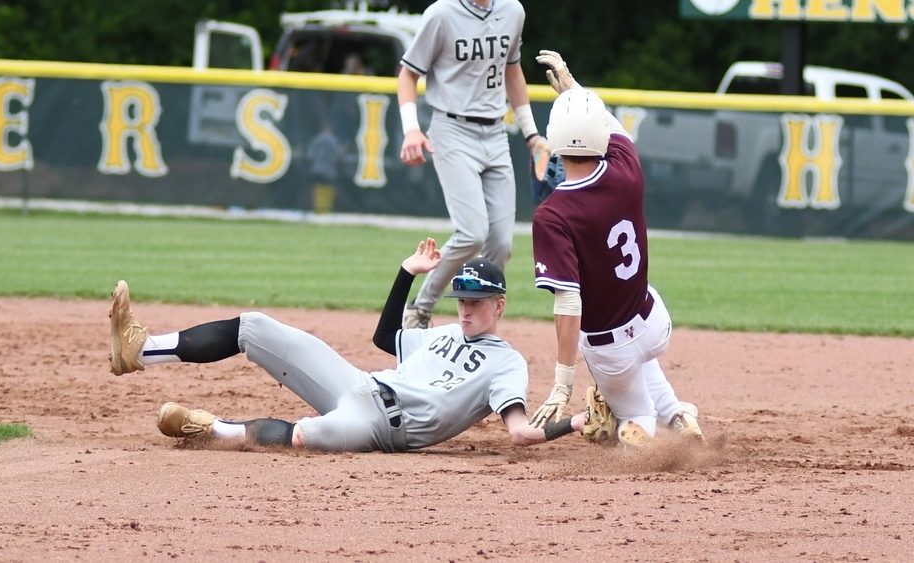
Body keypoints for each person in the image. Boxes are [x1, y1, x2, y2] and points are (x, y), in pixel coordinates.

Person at [108, 238, 586, 452]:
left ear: (498, 306)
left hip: (380, 427)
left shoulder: (508, 365)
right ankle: (140, 349)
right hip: (359, 384)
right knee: (254, 327)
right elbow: (384, 339)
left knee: (304, 436)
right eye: (461, 298)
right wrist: (405, 273)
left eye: (476, 302)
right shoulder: (443, 333)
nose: (464, 308)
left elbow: (520, 433)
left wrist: (576, 422)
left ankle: (210, 430)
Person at [527, 50, 704, 448]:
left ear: (555, 141)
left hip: (611, 348)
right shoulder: (626, 168)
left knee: (636, 415)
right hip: (654, 321)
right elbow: (607, 123)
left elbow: (569, 303)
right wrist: (573, 87)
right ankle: (678, 416)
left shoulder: (552, 214)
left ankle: (641, 427)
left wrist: (563, 382)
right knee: (646, 362)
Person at [396, 0, 546, 329]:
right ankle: (420, 309)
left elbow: (512, 70)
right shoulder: (441, 14)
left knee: (501, 242)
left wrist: (532, 134)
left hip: (495, 131)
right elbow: (408, 75)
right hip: (452, 129)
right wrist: (411, 129)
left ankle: (482, 324)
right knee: (472, 233)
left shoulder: (512, 11)